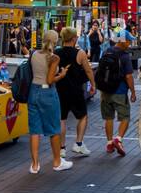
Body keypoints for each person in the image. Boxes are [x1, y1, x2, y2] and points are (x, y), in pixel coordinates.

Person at [28, 34, 71, 173]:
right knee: (54, 128)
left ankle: (35, 165)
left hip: (33, 92)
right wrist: (62, 74)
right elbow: (50, 79)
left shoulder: (34, 54)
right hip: (48, 93)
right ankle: (57, 162)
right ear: (55, 42)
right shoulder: (54, 58)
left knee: (35, 130)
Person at [55, 27, 95, 157]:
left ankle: (61, 148)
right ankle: (78, 144)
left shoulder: (57, 52)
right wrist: (93, 84)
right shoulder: (80, 53)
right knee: (83, 116)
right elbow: (88, 70)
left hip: (60, 89)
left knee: (62, 119)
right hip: (76, 90)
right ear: (73, 39)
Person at [100, 31, 135, 156]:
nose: (130, 43)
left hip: (105, 91)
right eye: (128, 40)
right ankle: (118, 139)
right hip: (120, 91)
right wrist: (133, 92)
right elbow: (129, 76)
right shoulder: (125, 56)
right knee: (125, 117)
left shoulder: (106, 51)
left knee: (108, 117)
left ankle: (109, 143)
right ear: (122, 40)